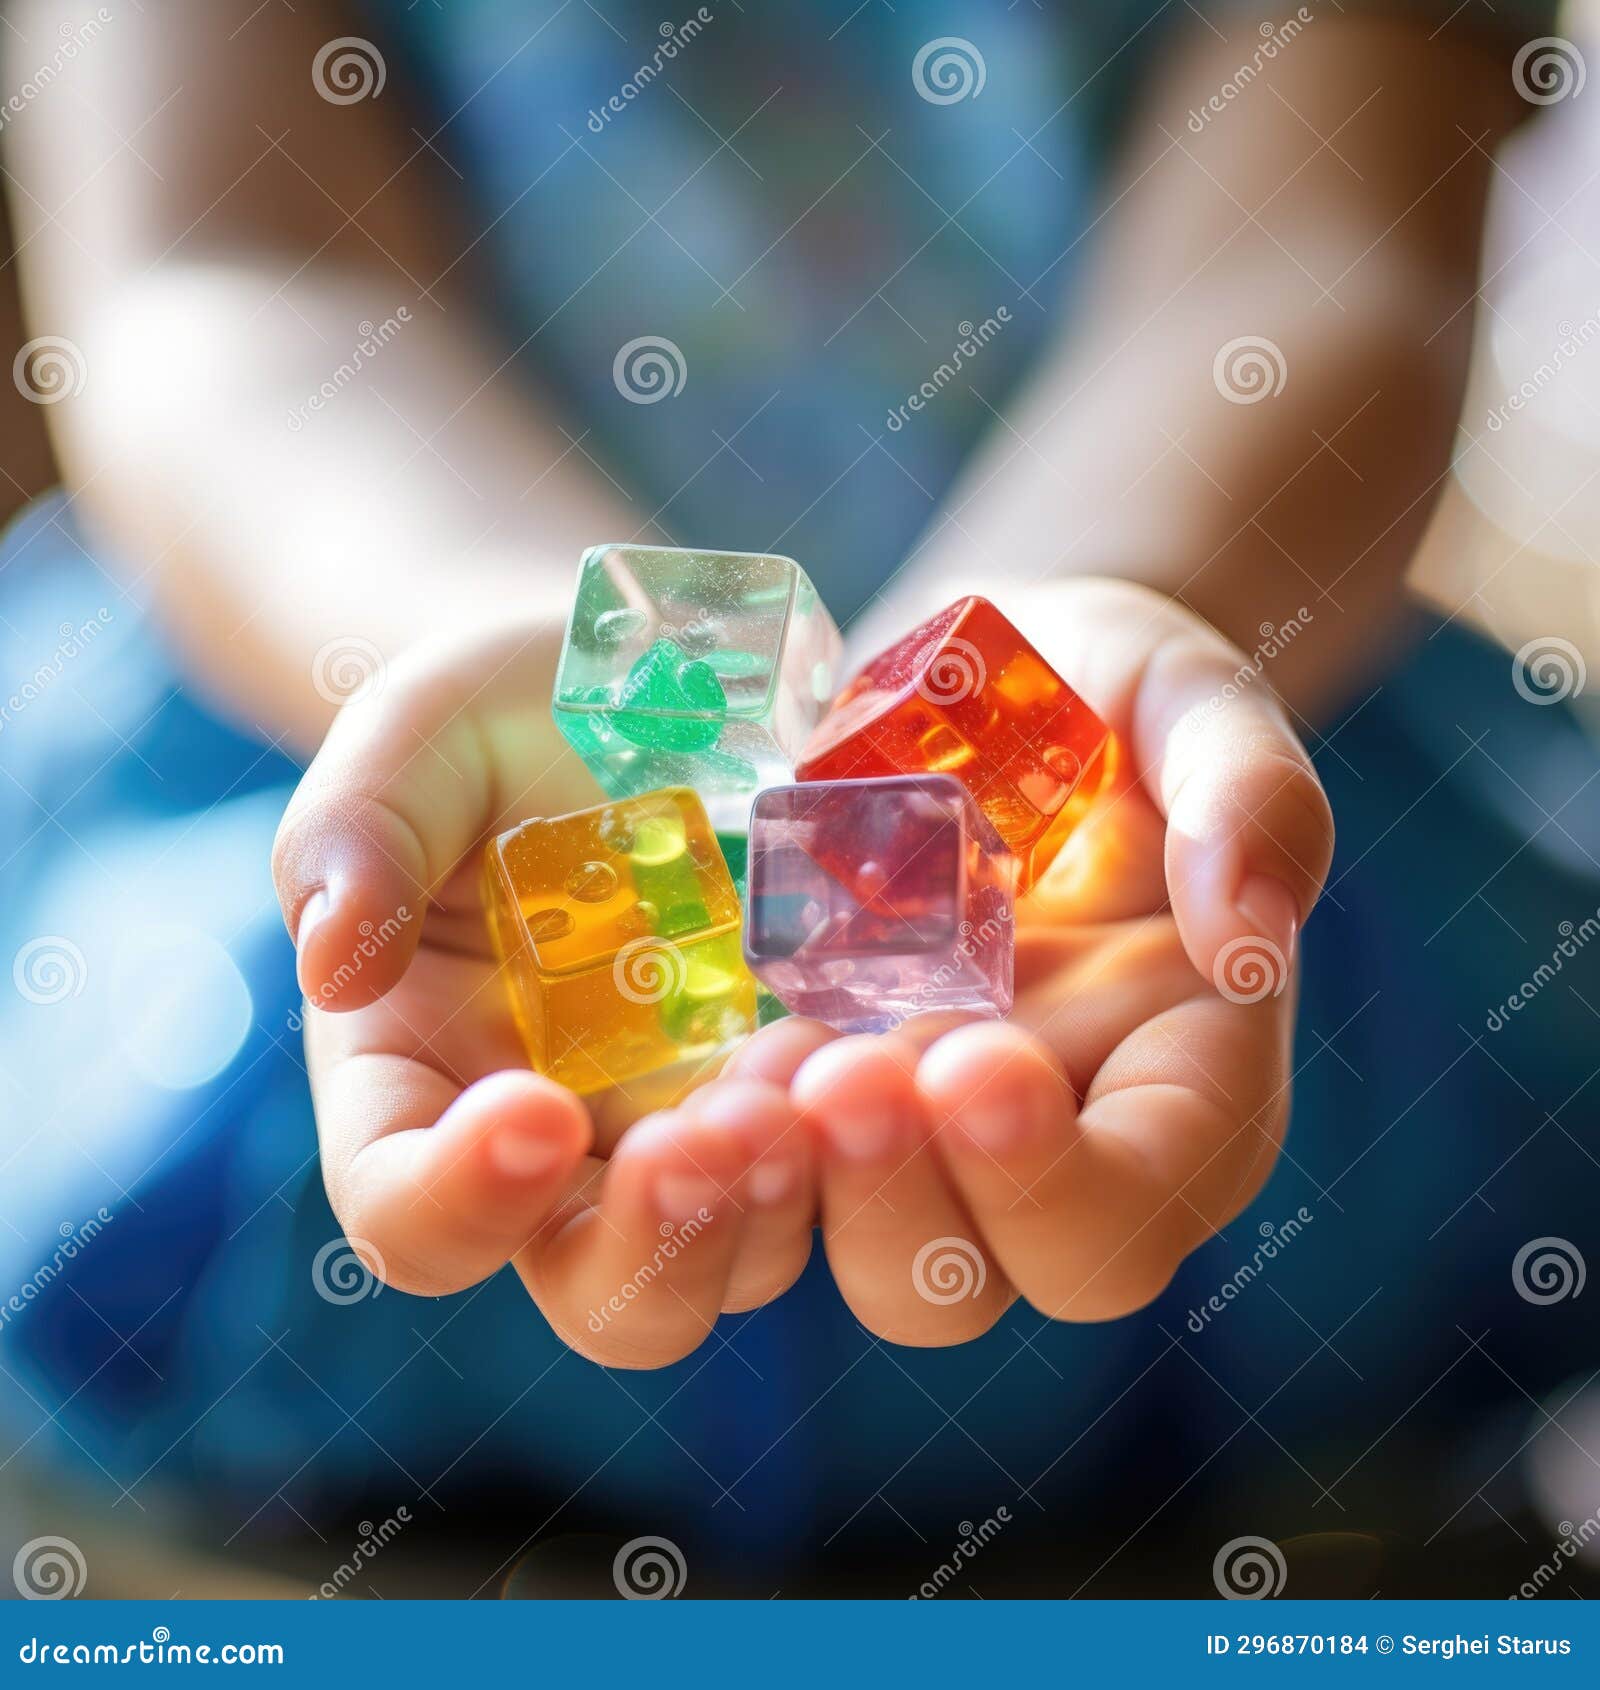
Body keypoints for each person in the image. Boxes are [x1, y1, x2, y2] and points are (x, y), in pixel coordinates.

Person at [4, 0, 1585, 1593]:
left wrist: (1066, 611)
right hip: (338, 654)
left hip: (1216, 683)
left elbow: (1328, 241)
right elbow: (225, 282)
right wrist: (533, 637)